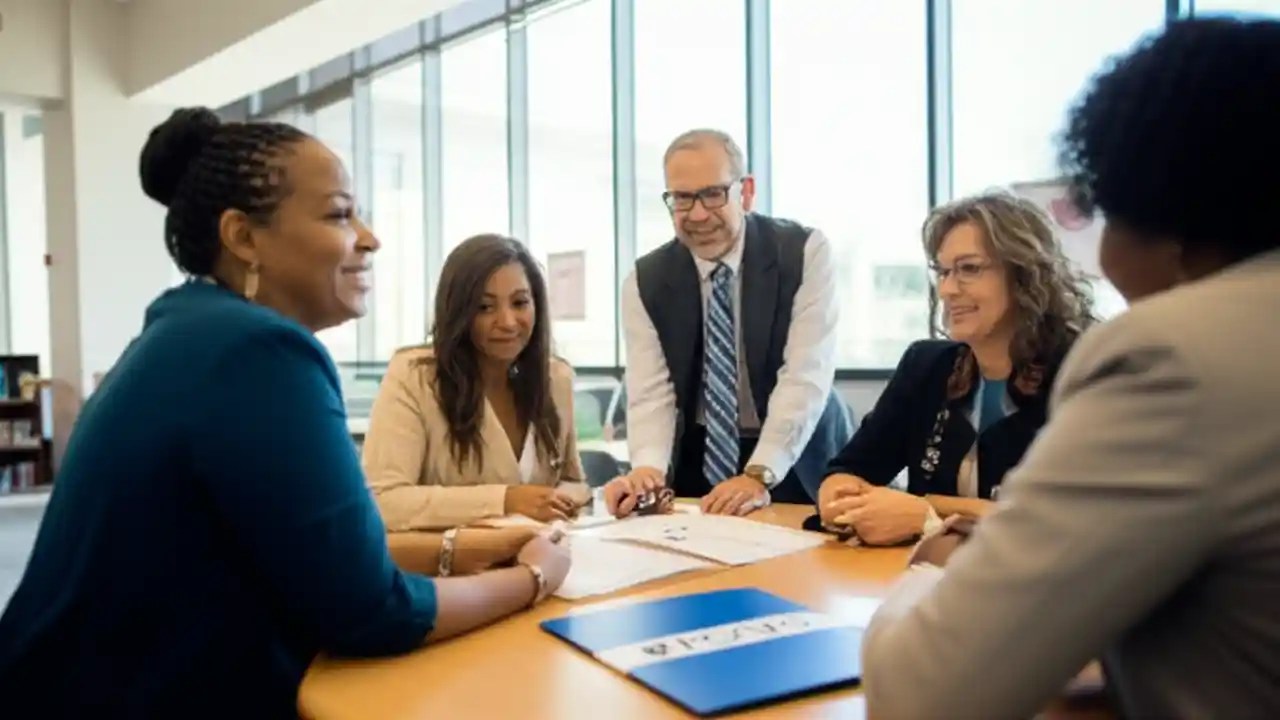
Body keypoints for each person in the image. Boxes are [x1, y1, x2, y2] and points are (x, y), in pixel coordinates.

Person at [0, 108, 570, 718]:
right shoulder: (259, 353)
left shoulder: (195, 329)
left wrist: (461, 551)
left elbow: (315, 550)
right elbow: (372, 613)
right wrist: (534, 578)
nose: (370, 237)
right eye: (339, 214)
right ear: (243, 237)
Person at [862, 17, 1280, 718]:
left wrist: (935, 560)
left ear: (1160, 215)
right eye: (943, 272)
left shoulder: (1165, 358)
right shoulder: (929, 365)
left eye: (1105, 216)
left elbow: (922, 690)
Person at [812, 192, 1095, 545]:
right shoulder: (928, 366)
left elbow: (1079, 523)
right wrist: (841, 496)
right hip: (923, 583)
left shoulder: (1085, 372)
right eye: (943, 272)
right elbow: (851, 470)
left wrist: (929, 518)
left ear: (1025, 274)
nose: (947, 290)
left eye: (969, 269)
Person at [604, 129, 849, 517]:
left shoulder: (804, 252)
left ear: (746, 192)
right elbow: (651, 392)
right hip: (698, 461)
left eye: (713, 194)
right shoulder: (645, 279)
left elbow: (805, 376)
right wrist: (648, 471)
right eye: (682, 198)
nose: (698, 214)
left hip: (797, 458)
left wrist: (758, 474)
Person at [362, 234, 590, 531]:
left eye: (520, 303)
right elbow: (383, 501)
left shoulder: (555, 378)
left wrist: (564, 498)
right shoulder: (415, 376)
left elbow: (573, 482)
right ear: (459, 312)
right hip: (449, 570)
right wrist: (505, 500)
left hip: (545, 562)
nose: (508, 321)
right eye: (485, 307)